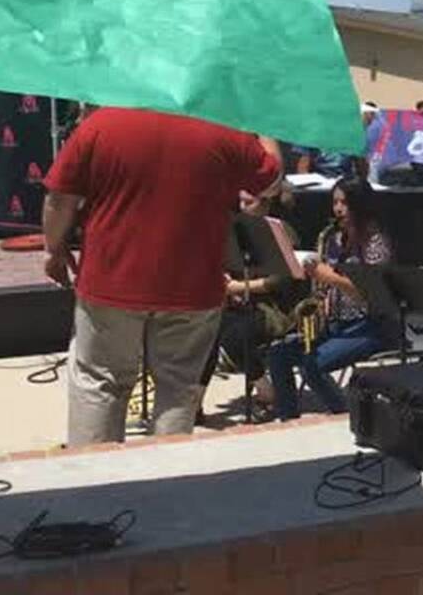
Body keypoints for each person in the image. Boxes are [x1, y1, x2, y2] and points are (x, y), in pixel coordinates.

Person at [42, 107, 281, 445]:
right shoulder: (223, 128)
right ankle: (167, 473)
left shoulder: (101, 125)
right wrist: (263, 121)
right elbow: (271, 183)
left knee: (100, 384)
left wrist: (54, 249)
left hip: (112, 280)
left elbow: (59, 200)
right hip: (193, 287)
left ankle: (95, 474)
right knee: (178, 388)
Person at [267, 176, 391, 420]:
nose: (338, 209)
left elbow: (373, 296)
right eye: (335, 202)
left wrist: (331, 278)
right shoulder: (332, 238)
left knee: (311, 364)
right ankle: (287, 417)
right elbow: (324, 283)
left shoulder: (376, 243)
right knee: (278, 354)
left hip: (369, 326)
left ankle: (345, 414)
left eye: (345, 203)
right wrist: (319, 295)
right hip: (335, 325)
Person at [198, 189, 304, 419]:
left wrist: (238, 287)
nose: (243, 207)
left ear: (266, 203)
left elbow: (281, 280)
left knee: (236, 335)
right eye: (241, 202)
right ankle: (195, 401)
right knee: (207, 329)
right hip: (243, 303)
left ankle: (267, 392)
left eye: (249, 202)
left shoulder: (281, 231)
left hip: (275, 308)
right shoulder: (236, 229)